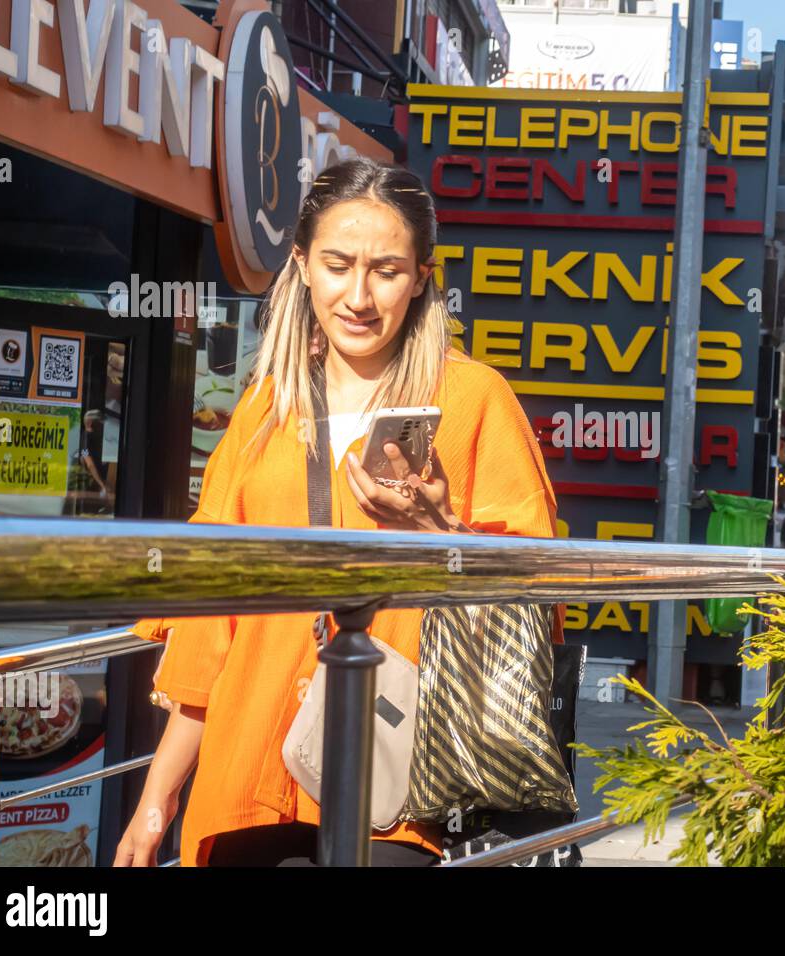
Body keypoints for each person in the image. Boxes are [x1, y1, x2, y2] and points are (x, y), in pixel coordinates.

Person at [114, 159, 561, 868]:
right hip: (244, 782)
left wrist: (435, 531)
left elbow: (529, 601)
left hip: (394, 797)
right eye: (337, 264)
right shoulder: (264, 409)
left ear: (420, 277)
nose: (358, 295)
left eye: (386, 270)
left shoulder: (474, 401)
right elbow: (211, 633)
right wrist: (155, 801)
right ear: (301, 264)